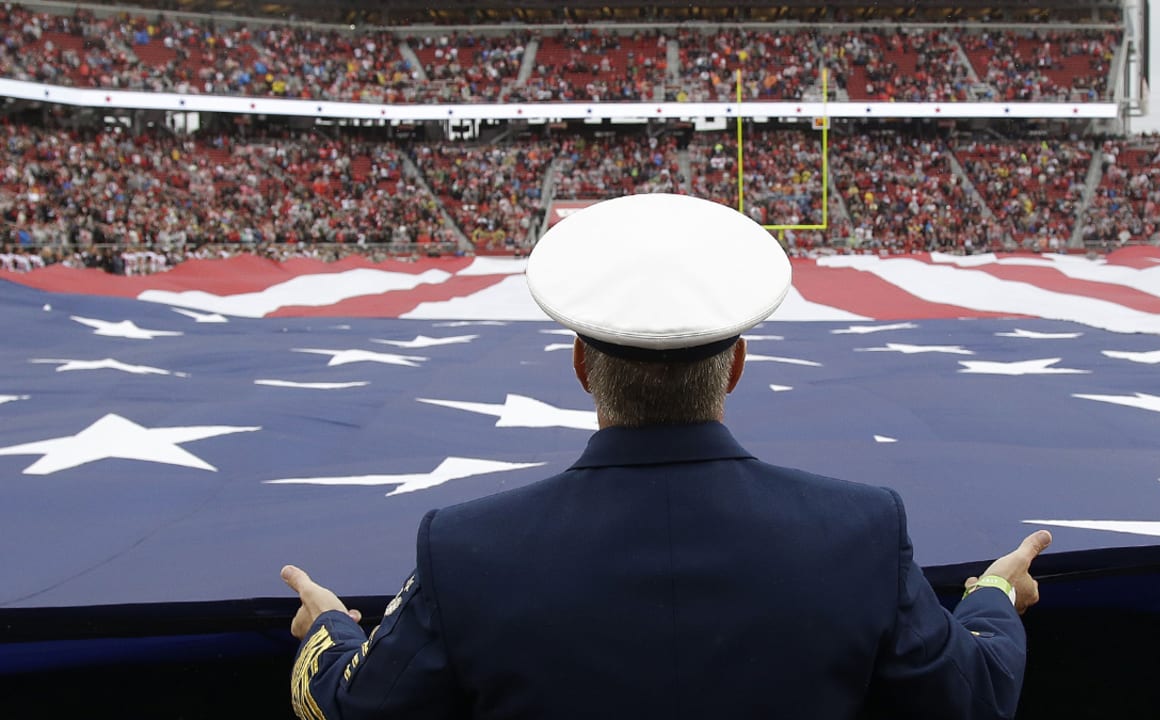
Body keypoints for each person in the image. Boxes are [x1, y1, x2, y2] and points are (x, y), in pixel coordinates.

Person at [281, 193, 1052, 719]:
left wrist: (329, 631)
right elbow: (973, 698)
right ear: (738, 364)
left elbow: (359, 708)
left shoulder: (463, 548)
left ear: (581, 366)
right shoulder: (862, 532)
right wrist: (988, 595)